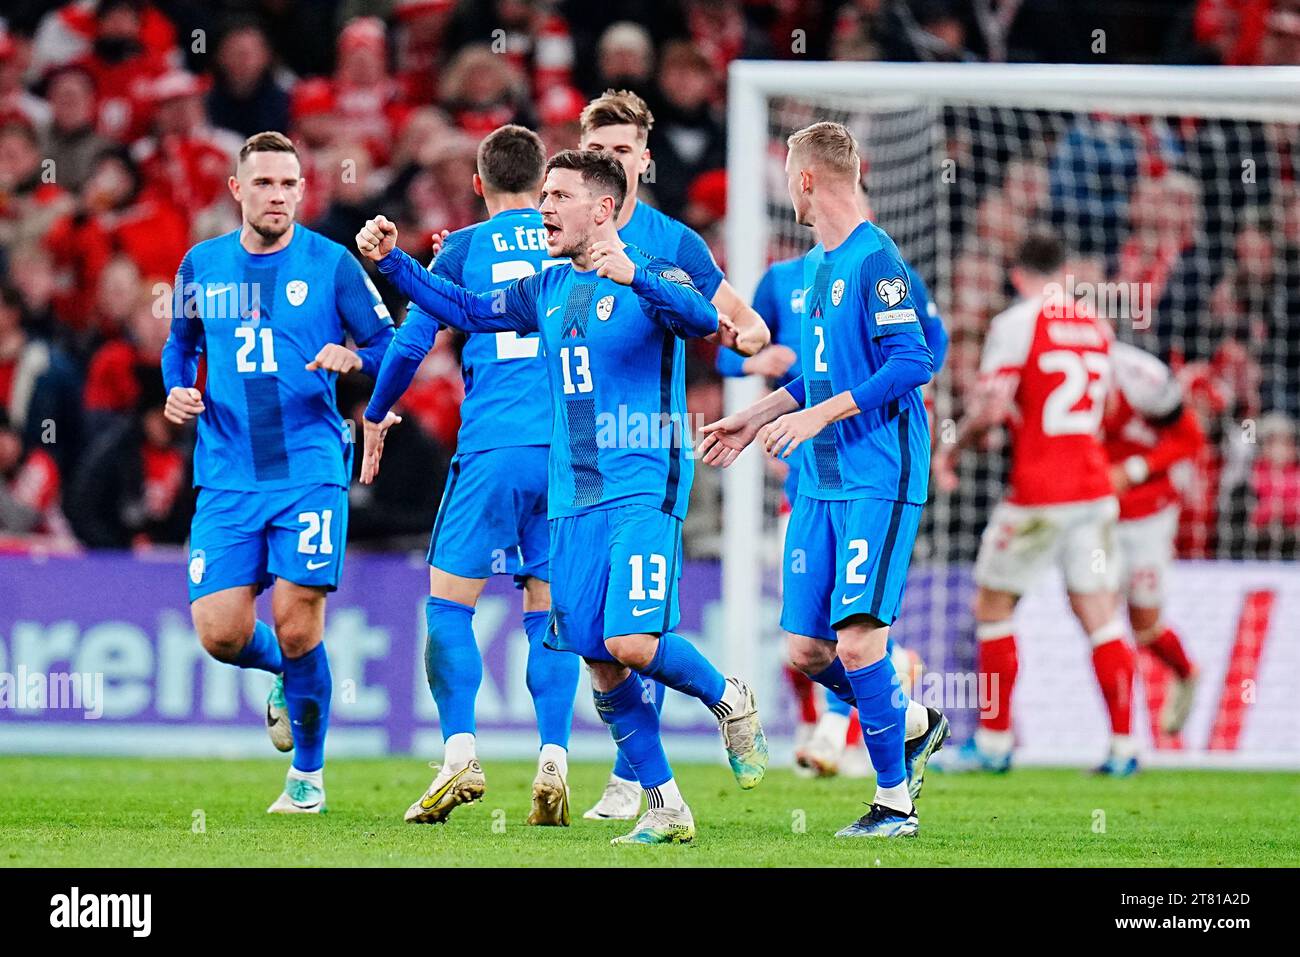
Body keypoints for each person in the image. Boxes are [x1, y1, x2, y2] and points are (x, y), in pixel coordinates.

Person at [356, 149, 768, 846]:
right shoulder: (547, 287)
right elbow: (466, 309)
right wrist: (396, 264)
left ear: (601, 210)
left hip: (642, 479)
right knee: (597, 657)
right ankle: (666, 804)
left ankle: (728, 696)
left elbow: (702, 321)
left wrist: (635, 274)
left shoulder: (649, 266)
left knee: (630, 639)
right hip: (572, 491)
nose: (543, 207)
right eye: (542, 193)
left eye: (559, 196)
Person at [697, 122, 949, 838]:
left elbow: (911, 363)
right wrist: (757, 417)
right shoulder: (815, 268)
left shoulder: (878, 260)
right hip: (821, 480)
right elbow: (817, 375)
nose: (786, 189)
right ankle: (912, 720)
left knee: (862, 642)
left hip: (876, 475)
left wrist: (817, 417)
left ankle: (895, 804)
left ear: (805, 180)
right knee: (807, 652)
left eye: (786, 176)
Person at [161, 130, 394, 813]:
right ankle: (287, 677)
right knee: (221, 633)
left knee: (298, 623)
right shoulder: (201, 266)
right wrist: (175, 388)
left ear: (302, 189)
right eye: (264, 183)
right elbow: (181, 344)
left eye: (290, 184)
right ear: (238, 190)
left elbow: (389, 344)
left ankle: (308, 779)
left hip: (310, 467)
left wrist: (356, 360)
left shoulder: (333, 265)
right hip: (228, 470)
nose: (279, 196)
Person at [363, 125, 582, 827]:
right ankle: (555, 757)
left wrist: (374, 412)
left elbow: (411, 342)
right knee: (547, 609)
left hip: (493, 446)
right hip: (567, 451)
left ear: (479, 184)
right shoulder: (570, 243)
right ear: (543, 180)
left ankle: (460, 750)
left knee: (450, 604)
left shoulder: (461, 248)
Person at [576, 87, 771, 820]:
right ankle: (635, 778)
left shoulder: (675, 242)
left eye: (624, 151)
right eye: (600, 151)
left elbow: (739, 320)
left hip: (648, 450)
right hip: (579, 465)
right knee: (599, 640)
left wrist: (744, 335)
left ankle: (643, 777)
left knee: (632, 629)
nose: (612, 163)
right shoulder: (560, 232)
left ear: (645, 159)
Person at [934, 230, 1136, 776]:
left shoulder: (1017, 323)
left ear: (1016, 273)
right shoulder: (1097, 325)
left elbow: (992, 405)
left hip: (1038, 496)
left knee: (992, 609)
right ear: (1063, 270)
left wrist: (952, 449)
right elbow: (1112, 404)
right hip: (1094, 493)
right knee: (1099, 616)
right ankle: (1123, 749)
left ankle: (995, 747)